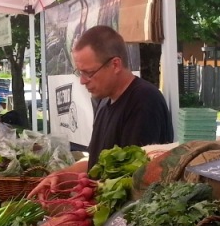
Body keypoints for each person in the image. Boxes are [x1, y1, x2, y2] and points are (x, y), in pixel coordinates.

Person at [31, 25, 173, 196]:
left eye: (89, 73)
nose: (83, 81)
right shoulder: (104, 102)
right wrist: (60, 177)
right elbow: (95, 162)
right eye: (80, 73)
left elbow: (134, 179)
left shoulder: (144, 101)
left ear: (115, 65)